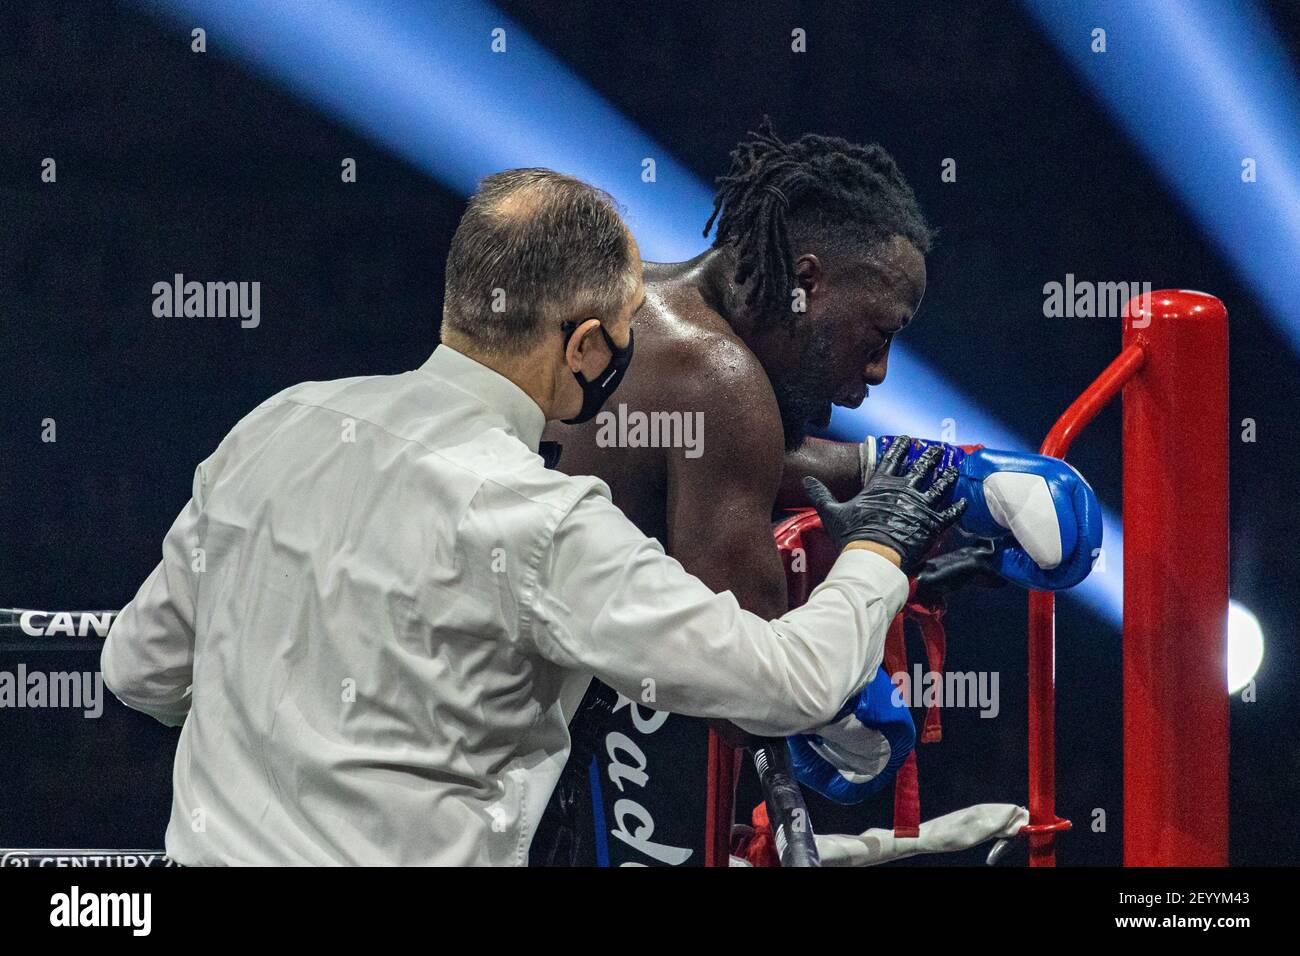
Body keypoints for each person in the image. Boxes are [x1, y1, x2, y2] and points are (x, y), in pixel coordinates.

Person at [101, 167, 965, 866]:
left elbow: (138, 670)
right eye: (626, 331)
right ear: (586, 346)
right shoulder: (540, 522)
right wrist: (880, 549)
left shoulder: (276, 424)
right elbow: (788, 685)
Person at [538, 123, 1099, 865]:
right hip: (527, 781)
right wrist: (882, 566)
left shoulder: (647, 308)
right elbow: (764, 689)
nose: (879, 372)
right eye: (877, 334)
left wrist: (899, 470)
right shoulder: (719, 377)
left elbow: (698, 452)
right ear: (807, 283)